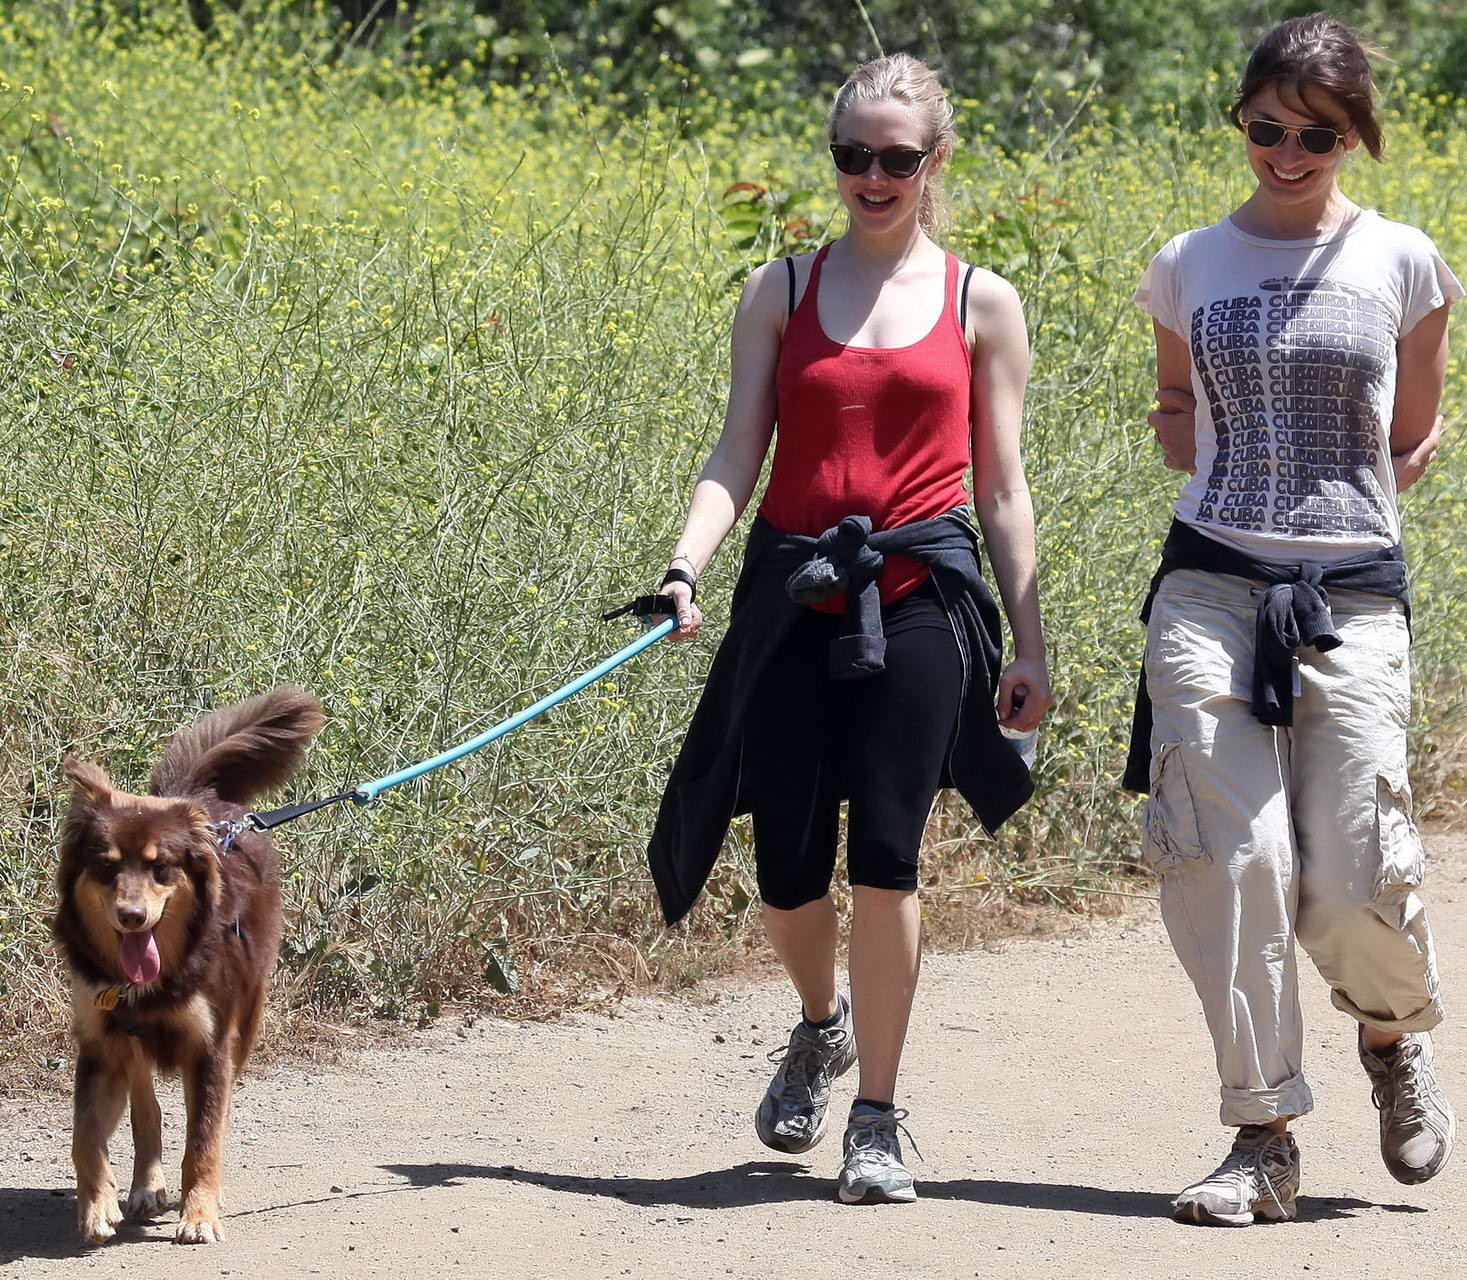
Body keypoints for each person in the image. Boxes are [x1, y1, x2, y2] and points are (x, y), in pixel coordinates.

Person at [642, 52, 1051, 1204]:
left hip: (921, 593)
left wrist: (1028, 641)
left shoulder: (984, 301)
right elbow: (737, 453)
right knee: (782, 872)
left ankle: (875, 1113)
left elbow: (1006, 486)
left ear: (934, 163)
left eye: (896, 158)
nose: (872, 176)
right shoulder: (779, 288)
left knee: (886, 853)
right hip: (792, 589)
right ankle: (818, 1023)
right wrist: (684, 568)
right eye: (852, 156)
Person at [1130, 11, 1460, 1227]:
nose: (1286, 151)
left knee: (1350, 876)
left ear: (1354, 135)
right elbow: (1173, 401)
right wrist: (1206, 446)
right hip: (1209, 582)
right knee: (1235, 857)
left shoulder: (1408, 262)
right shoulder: (1186, 262)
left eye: (1315, 133)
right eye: (1265, 128)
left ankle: (1387, 1034)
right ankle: (1260, 1131)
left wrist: (1338, 503)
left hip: (1353, 595)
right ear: (1242, 125)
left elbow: (1414, 434)